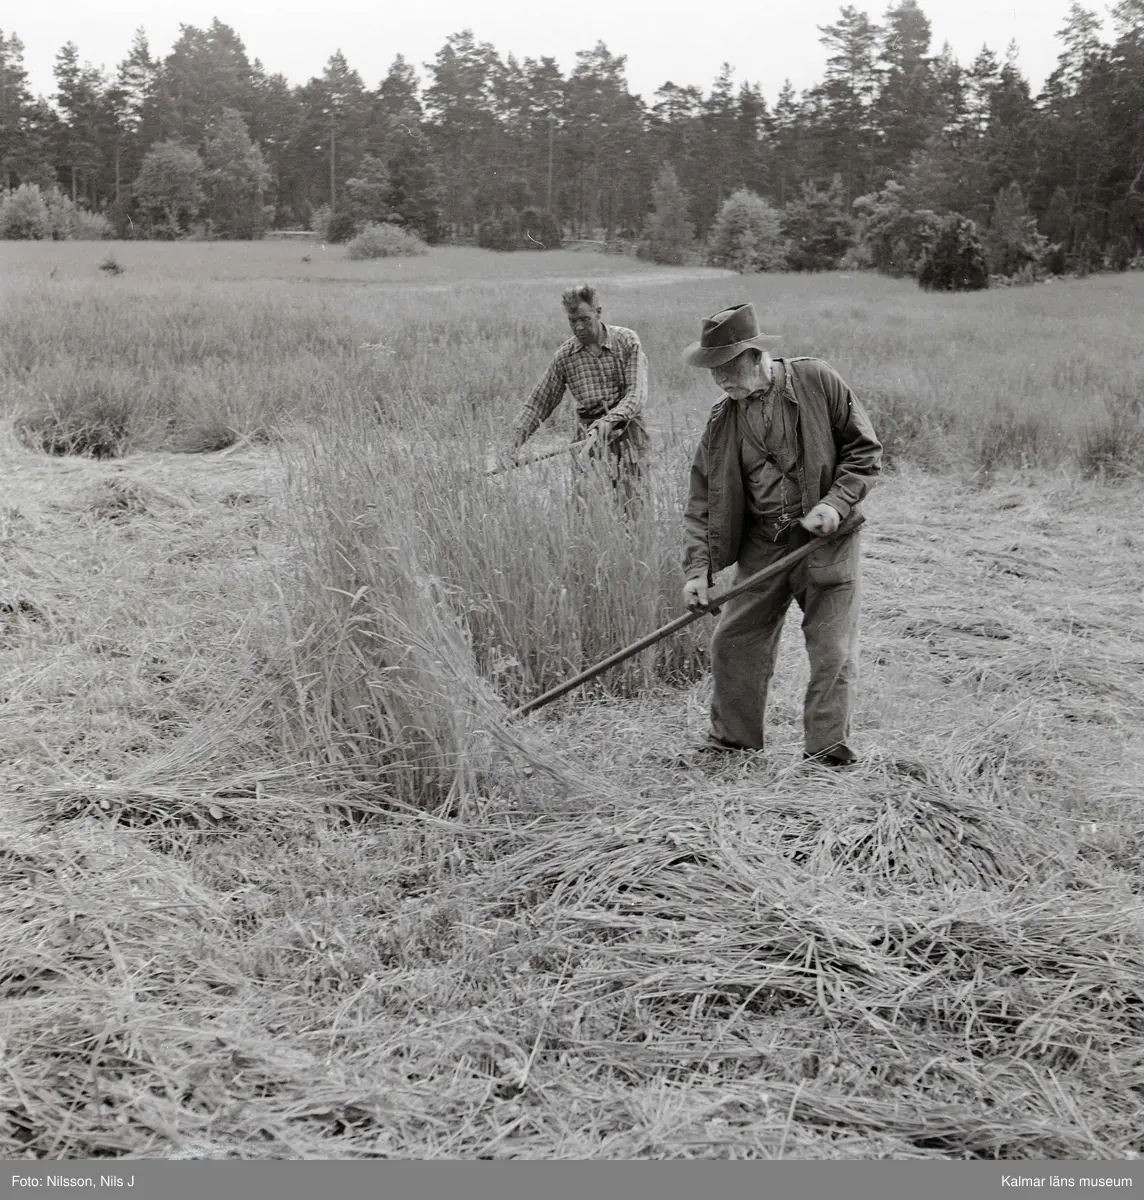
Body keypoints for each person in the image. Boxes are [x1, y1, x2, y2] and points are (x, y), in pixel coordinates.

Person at [680, 302, 883, 766]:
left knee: (831, 651)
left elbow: (865, 451)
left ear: (755, 356)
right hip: (764, 545)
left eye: (727, 366)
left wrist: (835, 503)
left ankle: (826, 754)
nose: (720, 379)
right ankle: (733, 743)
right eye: (713, 370)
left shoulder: (816, 381)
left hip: (827, 543)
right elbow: (703, 501)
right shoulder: (722, 422)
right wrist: (697, 570)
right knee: (733, 640)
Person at [506, 284, 648, 509]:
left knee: (632, 502)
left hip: (628, 428)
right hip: (587, 432)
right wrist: (512, 443)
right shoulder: (565, 356)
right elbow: (538, 404)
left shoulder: (627, 340)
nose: (579, 327)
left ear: (598, 313)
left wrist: (610, 421)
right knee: (583, 504)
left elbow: (636, 393)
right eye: (573, 321)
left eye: (584, 319)